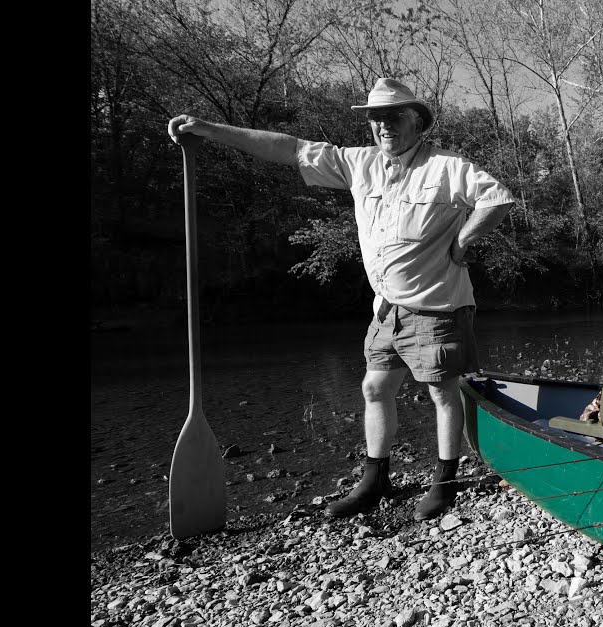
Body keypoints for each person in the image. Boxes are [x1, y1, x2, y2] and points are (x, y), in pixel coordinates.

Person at [168, 78, 516, 521]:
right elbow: (288, 148)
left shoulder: (448, 167)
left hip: (437, 307)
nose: (383, 125)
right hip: (386, 309)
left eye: (393, 116)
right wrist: (211, 129)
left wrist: (463, 242)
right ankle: (375, 480)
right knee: (374, 387)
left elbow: (497, 198)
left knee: (443, 392)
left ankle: (444, 482)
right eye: (375, 118)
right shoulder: (359, 164)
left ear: (417, 121)